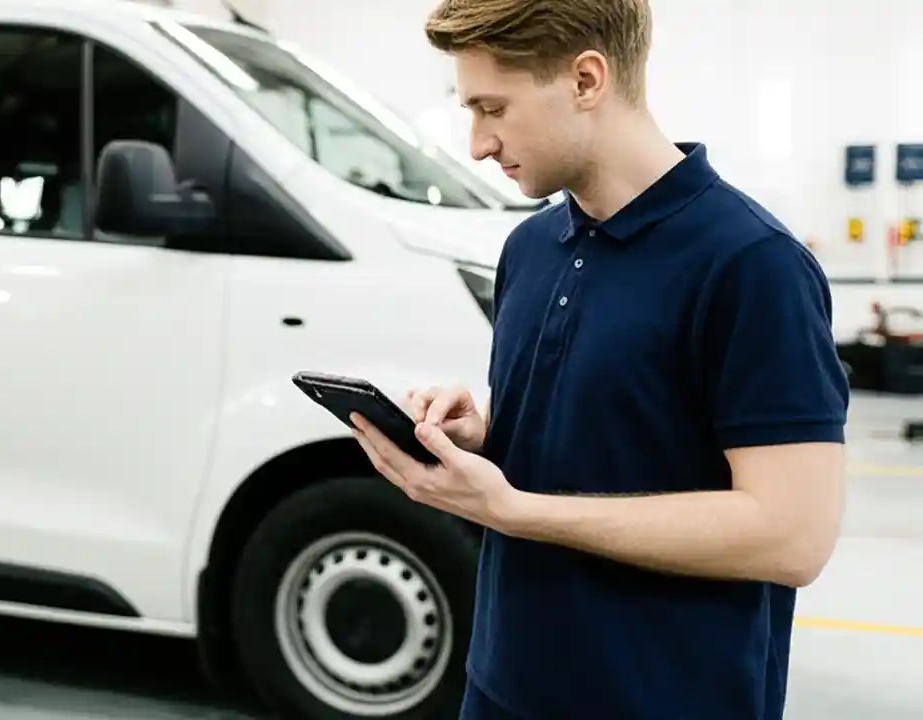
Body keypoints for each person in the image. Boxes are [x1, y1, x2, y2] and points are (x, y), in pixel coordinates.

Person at [347, 0, 851, 718]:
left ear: (586, 79)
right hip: (503, 688)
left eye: (494, 107)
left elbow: (791, 535)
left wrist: (519, 513)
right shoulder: (529, 249)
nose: (478, 143)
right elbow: (619, 428)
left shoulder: (753, 265)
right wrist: (484, 429)